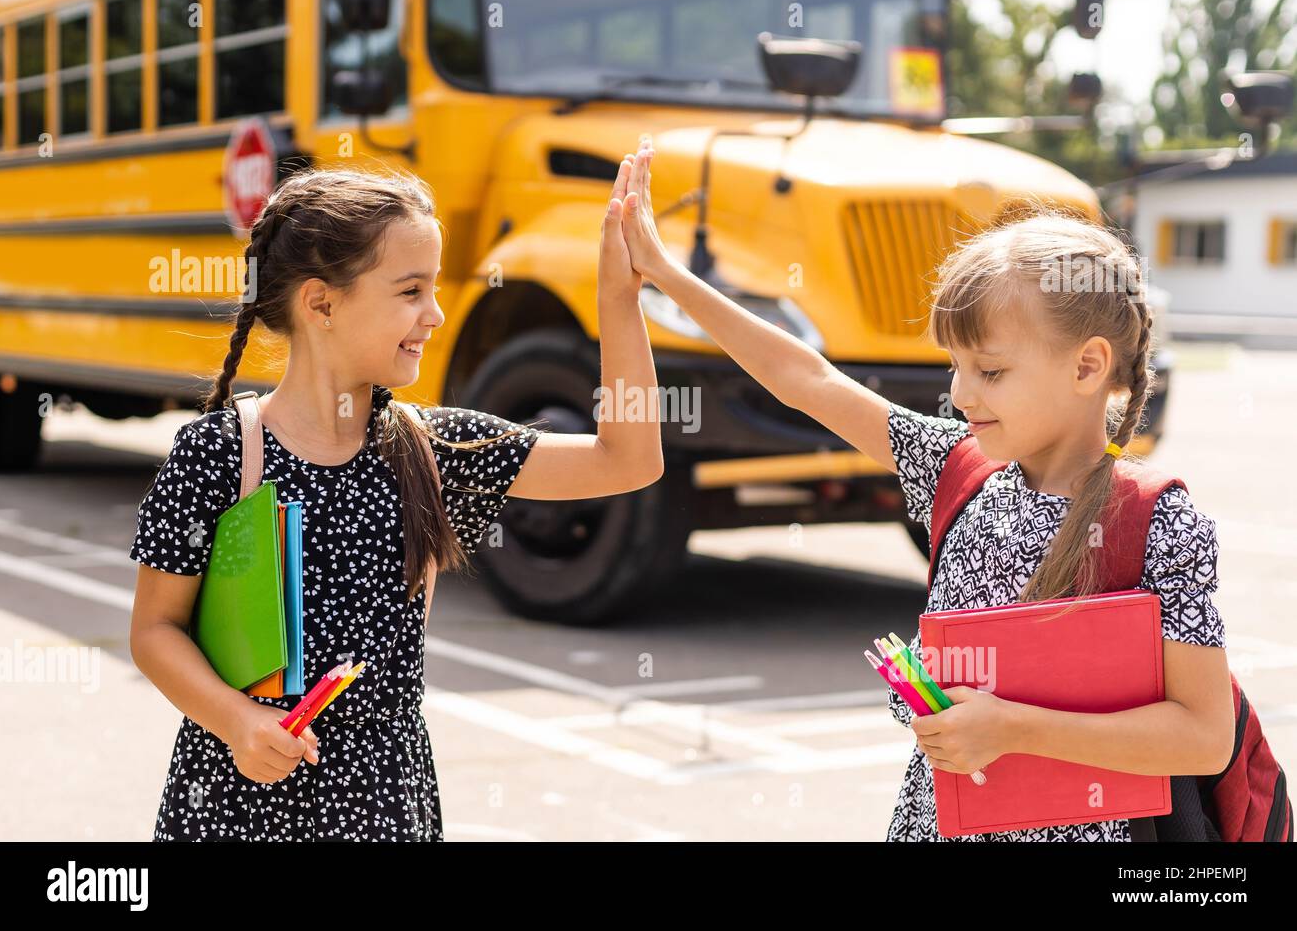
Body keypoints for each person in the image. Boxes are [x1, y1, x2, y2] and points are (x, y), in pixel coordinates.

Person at [614, 137, 1233, 841]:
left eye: (990, 372)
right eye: (955, 366)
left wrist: (1011, 730)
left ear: (1088, 366)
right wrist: (665, 272)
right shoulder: (956, 466)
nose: (959, 393)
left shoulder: (1159, 524)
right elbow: (806, 379)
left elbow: (1203, 736)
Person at [129, 153, 663, 840]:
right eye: (411, 291)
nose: (436, 314)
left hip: (385, 809)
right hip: (235, 808)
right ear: (320, 303)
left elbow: (628, 459)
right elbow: (154, 631)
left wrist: (620, 298)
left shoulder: (428, 450)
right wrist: (237, 720)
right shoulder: (216, 454)